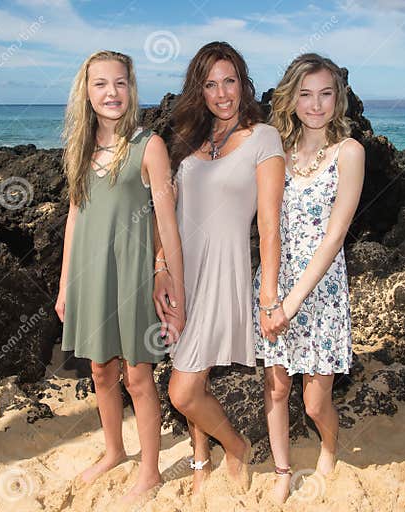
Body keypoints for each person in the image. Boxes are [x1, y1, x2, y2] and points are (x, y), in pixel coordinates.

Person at [153, 41, 288, 494]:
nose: (222, 93)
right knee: (194, 366)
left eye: (229, 81)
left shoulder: (264, 137)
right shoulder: (191, 140)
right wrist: (160, 269)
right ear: (200, 91)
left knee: (182, 390)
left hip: (222, 274)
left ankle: (237, 445)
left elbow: (269, 225)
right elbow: (168, 213)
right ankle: (199, 455)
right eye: (210, 85)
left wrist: (268, 296)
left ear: (243, 83)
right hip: (181, 274)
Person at [55, 50, 185, 504]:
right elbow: (75, 215)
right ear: (86, 92)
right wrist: (64, 281)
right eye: (100, 84)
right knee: (99, 369)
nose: (111, 92)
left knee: (138, 375)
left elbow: (167, 222)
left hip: (131, 273)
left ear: (131, 89)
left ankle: (149, 469)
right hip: (90, 275)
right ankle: (114, 450)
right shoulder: (80, 146)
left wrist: (166, 273)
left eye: (120, 83)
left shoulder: (149, 144)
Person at [253, 53, 365, 503]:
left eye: (325, 93)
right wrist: (268, 295)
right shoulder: (275, 147)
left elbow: (336, 234)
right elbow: (264, 220)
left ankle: (329, 445)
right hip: (274, 281)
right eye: (305, 94)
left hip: (321, 290)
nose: (315, 104)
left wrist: (292, 303)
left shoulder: (349, 152)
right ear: (291, 97)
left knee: (315, 402)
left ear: (337, 99)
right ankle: (282, 469)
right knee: (276, 386)